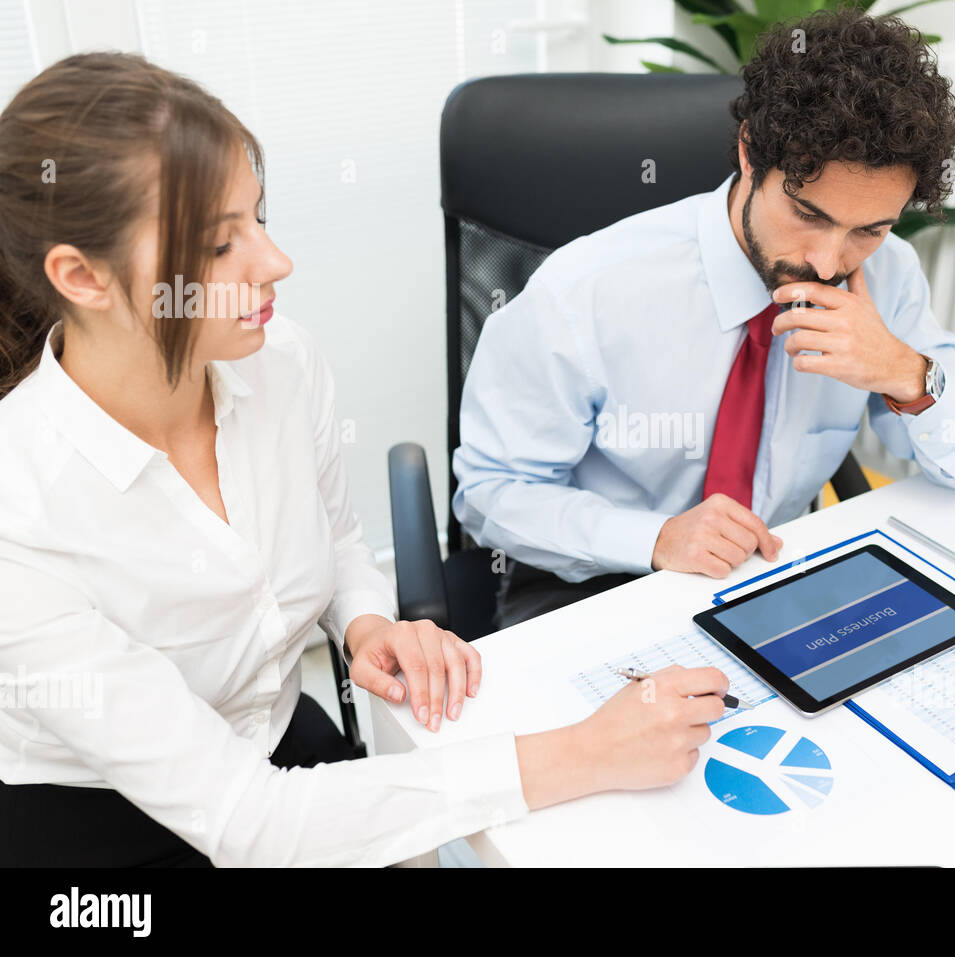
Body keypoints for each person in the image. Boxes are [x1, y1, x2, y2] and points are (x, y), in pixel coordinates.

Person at [0, 52, 726, 868]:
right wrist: (585, 751)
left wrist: (366, 619)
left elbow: (337, 538)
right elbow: (252, 823)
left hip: (275, 745)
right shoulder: (18, 516)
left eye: (259, 219)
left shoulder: (280, 360)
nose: (276, 263)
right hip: (105, 822)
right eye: (217, 246)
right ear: (81, 276)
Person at [453, 10, 955, 629]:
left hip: (774, 574)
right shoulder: (585, 290)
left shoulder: (887, 277)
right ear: (751, 153)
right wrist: (655, 539)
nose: (828, 263)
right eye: (808, 214)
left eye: (870, 229)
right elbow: (490, 495)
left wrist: (908, 374)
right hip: (603, 578)